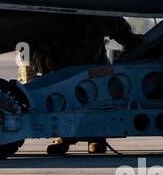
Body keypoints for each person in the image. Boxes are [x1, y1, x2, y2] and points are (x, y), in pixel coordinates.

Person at [31, 17, 142, 155]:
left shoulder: (90, 13)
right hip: (61, 71)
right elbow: (29, 47)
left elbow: (114, 24)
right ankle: (64, 136)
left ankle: (96, 138)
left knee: (98, 103)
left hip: (93, 69)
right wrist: (43, 61)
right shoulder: (44, 15)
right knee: (63, 104)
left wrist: (133, 42)